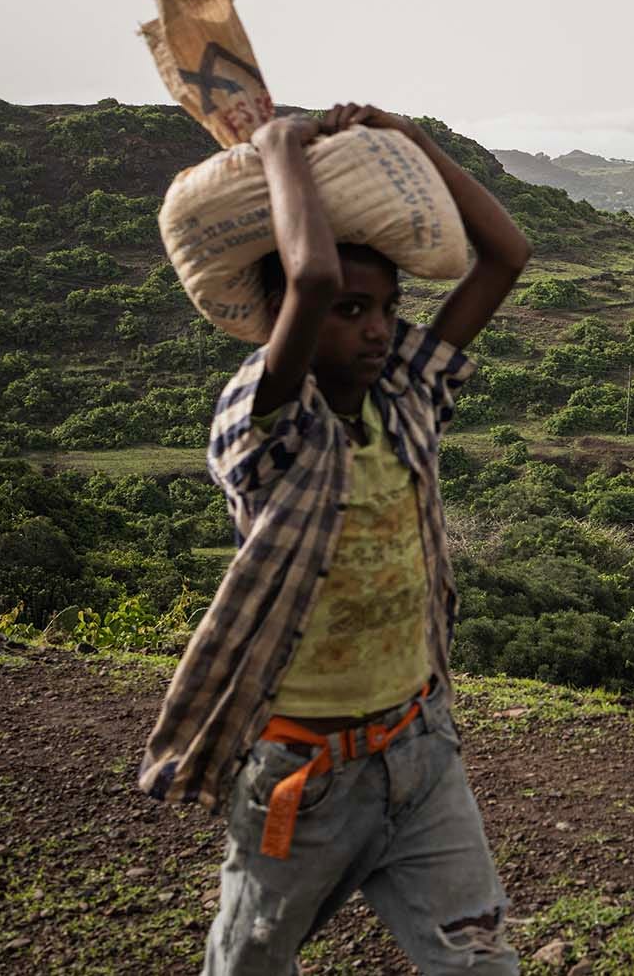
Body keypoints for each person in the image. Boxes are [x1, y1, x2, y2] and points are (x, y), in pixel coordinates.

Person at [138, 103, 533, 974]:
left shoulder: (406, 401)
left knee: (480, 963)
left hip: (419, 749)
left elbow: (506, 256)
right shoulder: (268, 433)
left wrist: (417, 142)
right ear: (282, 325)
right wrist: (279, 147)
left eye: (388, 308)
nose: (377, 328)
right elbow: (309, 277)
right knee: (250, 964)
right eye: (353, 309)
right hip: (300, 776)